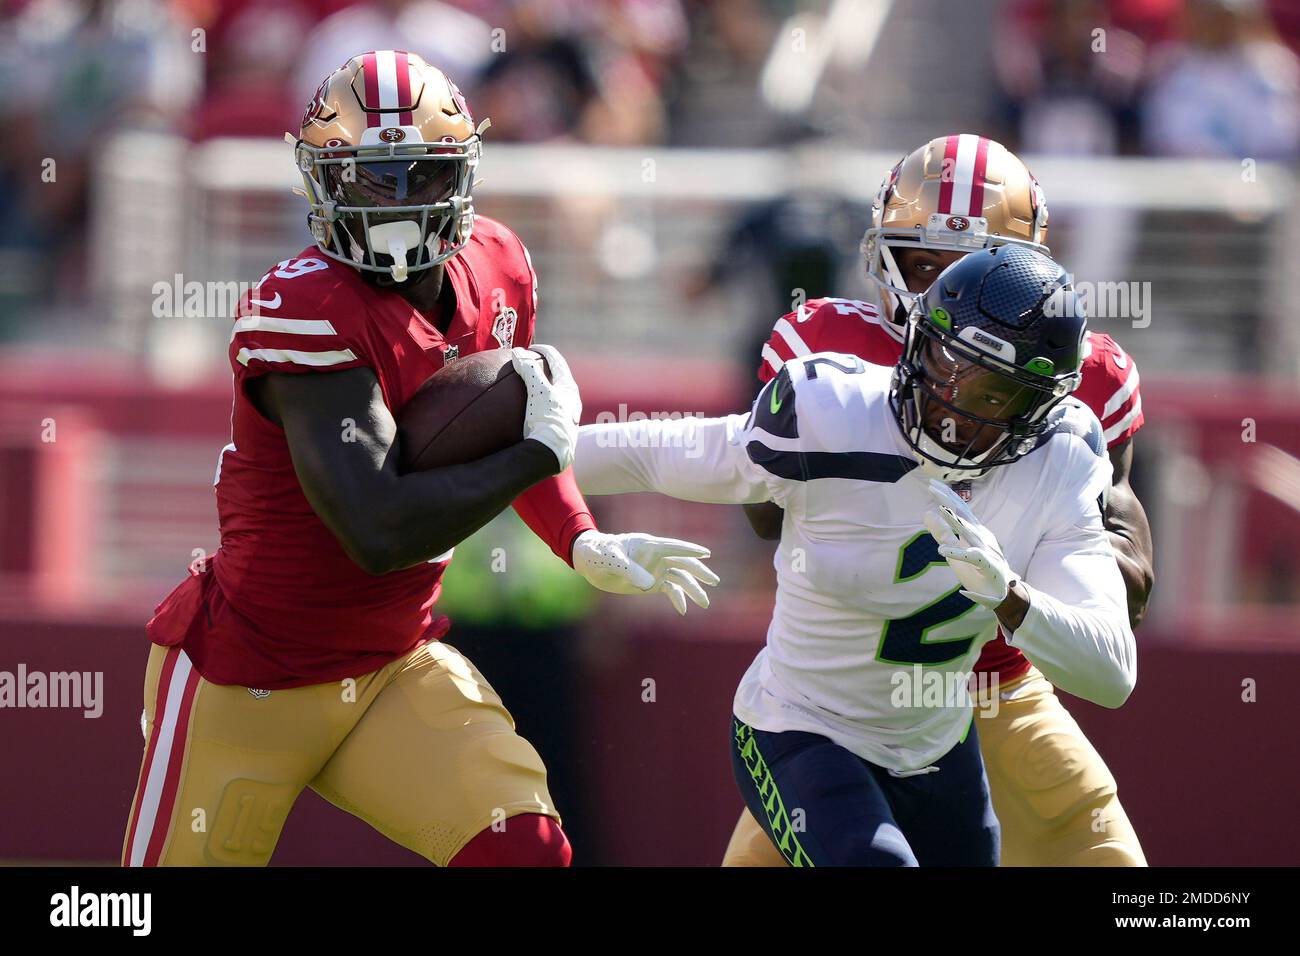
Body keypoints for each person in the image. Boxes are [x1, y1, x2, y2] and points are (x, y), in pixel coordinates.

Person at [121, 51, 716, 868]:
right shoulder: (302, 307)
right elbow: (378, 527)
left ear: (463, 171)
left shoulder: (501, 266)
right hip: (252, 674)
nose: (395, 201)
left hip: (392, 663)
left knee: (526, 847)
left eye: (418, 173)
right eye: (369, 177)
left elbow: (521, 429)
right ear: (321, 179)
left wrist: (580, 539)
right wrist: (537, 453)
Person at [574, 246, 1137, 866]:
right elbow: (655, 452)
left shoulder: (1059, 462)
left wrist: (1011, 596)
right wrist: (525, 462)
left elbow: (1111, 673)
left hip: (938, 751)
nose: (952, 396)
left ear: (1039, 407)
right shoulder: (833, 412)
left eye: (994, 389)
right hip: (800, 727)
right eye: (947, 359)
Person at [730, 134, 1152, 867]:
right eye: (922, 265)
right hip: (841, 705)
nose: (944, 297)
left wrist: (1039, 538)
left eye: (970, 268)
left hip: (994, 689)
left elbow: (1128, 589)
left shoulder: (1081, 383)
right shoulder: (825, 354)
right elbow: (766, 516)